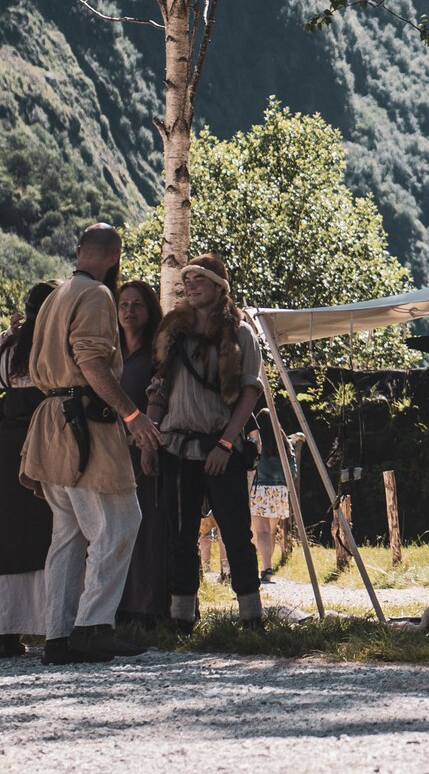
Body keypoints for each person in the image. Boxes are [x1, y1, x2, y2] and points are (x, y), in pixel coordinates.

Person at [18, 224, 162, 666]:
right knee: (120, 524)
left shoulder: (57, 294)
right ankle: (93, 628)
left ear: (80, 252)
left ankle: (58, 636)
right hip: (84, 426)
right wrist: (133, 416)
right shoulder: (97, 296)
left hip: (52, 423)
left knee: (68, 535)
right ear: (117, 258)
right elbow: (91, 362)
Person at [149, 255, 267, 628]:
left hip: (221, 446)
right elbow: (160, 389)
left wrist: (226, 445)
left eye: (200, 279)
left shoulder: (240, 334)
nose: (191, 284)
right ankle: (181, 619)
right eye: (187, 279)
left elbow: (249, 394)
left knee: (236, 533)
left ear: (219, 286)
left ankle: (251, 618)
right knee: (180, 537)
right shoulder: (173, 333)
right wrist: (149, 439)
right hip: (177, 447)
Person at [0, 281, 58, 657]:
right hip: (45, 440)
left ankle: (6, 631)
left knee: (10, 533)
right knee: (46, 529)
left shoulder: (10, 348)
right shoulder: (54, 348)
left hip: (10, 444)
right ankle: (51, 624)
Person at [114, 280, 168, 628]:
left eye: (137, 305)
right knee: (115, 531)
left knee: (148, 529)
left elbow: (158, 400)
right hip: (111, 455)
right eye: (124, 304)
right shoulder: (109, 354)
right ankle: (117, 606)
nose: (129, 311)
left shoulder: (156, 355)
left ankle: (148, 608)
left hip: (143, 453)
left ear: (150, 312)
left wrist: (149, 445)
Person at [248, 424, 292, 586]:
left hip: (261, 489)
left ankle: (266, 568)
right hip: (280, 490)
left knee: (261, 531)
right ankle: (268, 566)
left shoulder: (258, 444)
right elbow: (292, 470)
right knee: (271, 531)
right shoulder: (285, 445)